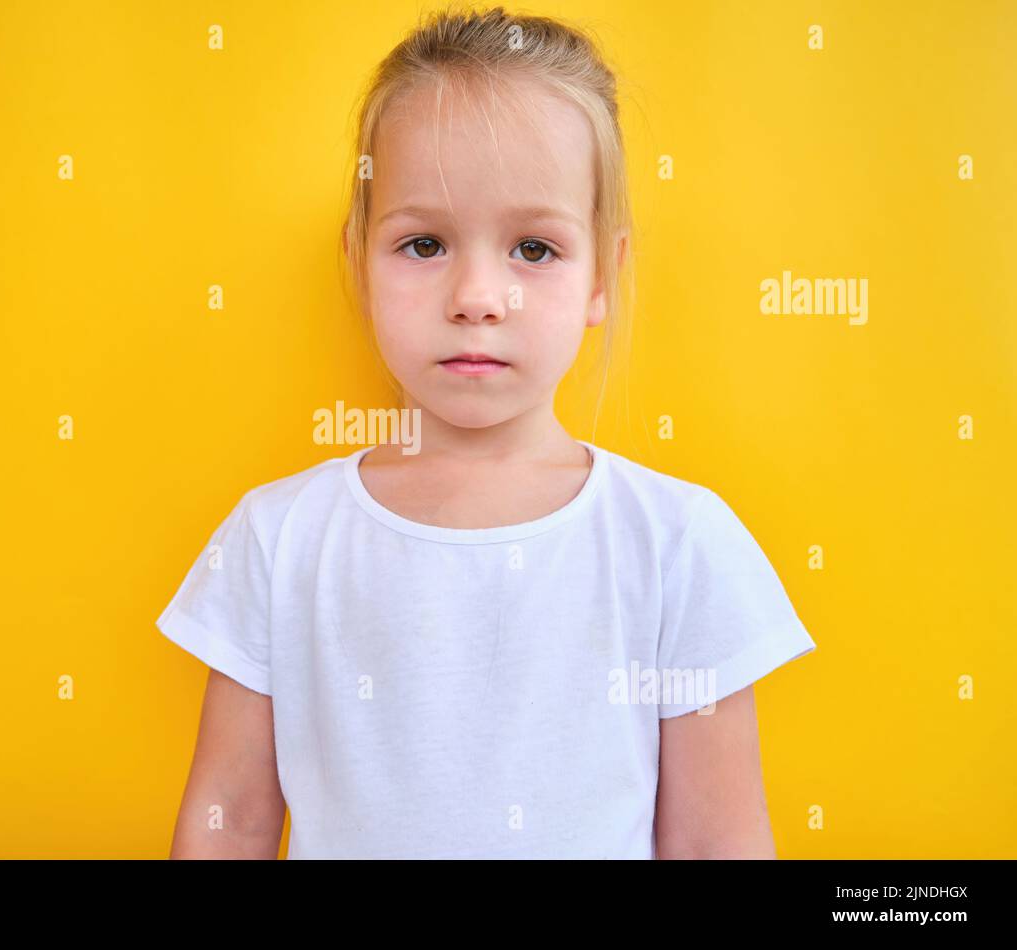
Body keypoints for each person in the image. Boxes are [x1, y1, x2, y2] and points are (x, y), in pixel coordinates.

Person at [157, 4, 816, 859]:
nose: (476, 296)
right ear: (359, 256)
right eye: (424, 243)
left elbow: (712, 843)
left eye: (534, 250)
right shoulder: (278, 539)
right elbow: (232, 822)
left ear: (600, 278)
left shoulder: (679, 544)